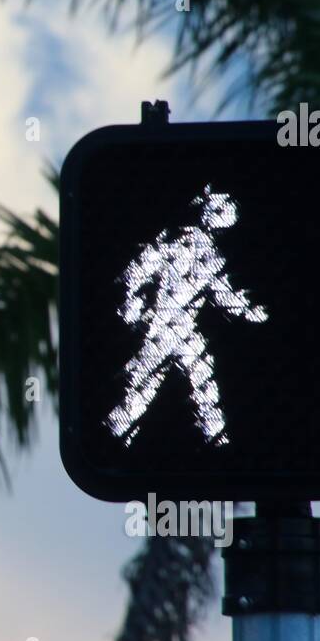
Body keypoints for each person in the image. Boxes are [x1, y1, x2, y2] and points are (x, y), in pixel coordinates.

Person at [107, 185, 268, 447]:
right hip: (162, 323)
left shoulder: (208, 253)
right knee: (147, 383)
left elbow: (221, 291)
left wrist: (249, 311)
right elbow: (140, 267)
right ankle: (118, 431)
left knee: (195, 375)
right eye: (223, 210)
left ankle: (216, 437)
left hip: (181, 327)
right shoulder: (178, 241)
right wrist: (131, 301)